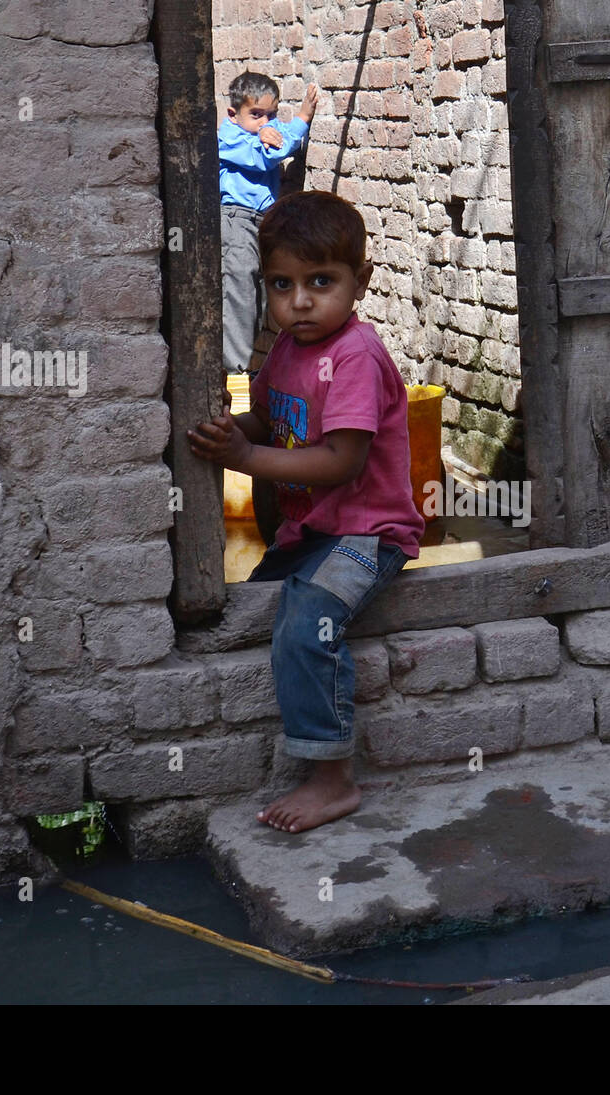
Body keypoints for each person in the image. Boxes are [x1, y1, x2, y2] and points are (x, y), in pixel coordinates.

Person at [188, 190, 426, 835]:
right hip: (307, 534)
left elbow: (340, 462)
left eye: (321, 282)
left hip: (365, 534)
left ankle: (332, 779)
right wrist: (221, 433)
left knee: (305, 627)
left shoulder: (354, 356)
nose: (299, 300)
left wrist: (241, 457)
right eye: (281, 284)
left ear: (360, 282)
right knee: (245, 612)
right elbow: (266, 419)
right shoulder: (286, 350)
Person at [219, 71, 319, 374]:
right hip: (236, 219)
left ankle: (240, 372)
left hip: (264, 223)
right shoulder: (227, 137)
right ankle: (233, 377)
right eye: (256, 115)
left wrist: (278, 131)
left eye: (271, 114)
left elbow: (277, 142)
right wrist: (301, 118)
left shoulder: (266, 131)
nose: (265, 122)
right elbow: (265, 157)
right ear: (234, 115)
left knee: (259, 300)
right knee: (239, 292)